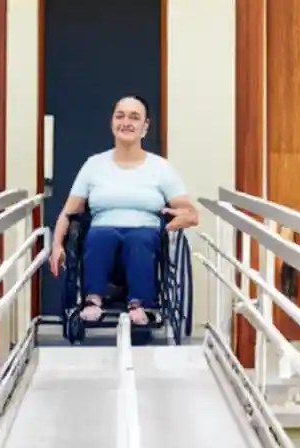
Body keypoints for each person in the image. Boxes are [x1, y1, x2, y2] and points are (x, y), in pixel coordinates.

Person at [48, 95, 199, 325]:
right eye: (120, 116)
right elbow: (69, 212)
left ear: (145, 127)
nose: (126, 122)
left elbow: (191, 213)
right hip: (101, 238)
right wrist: (57, 245)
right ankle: (92, 300)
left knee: (138, 238)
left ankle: (140, 303)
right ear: (112, 123)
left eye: (134, 117)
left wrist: (178, 220)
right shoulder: (94, 165)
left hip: (145, 237)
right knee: (101, 234)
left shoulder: (160, 168)